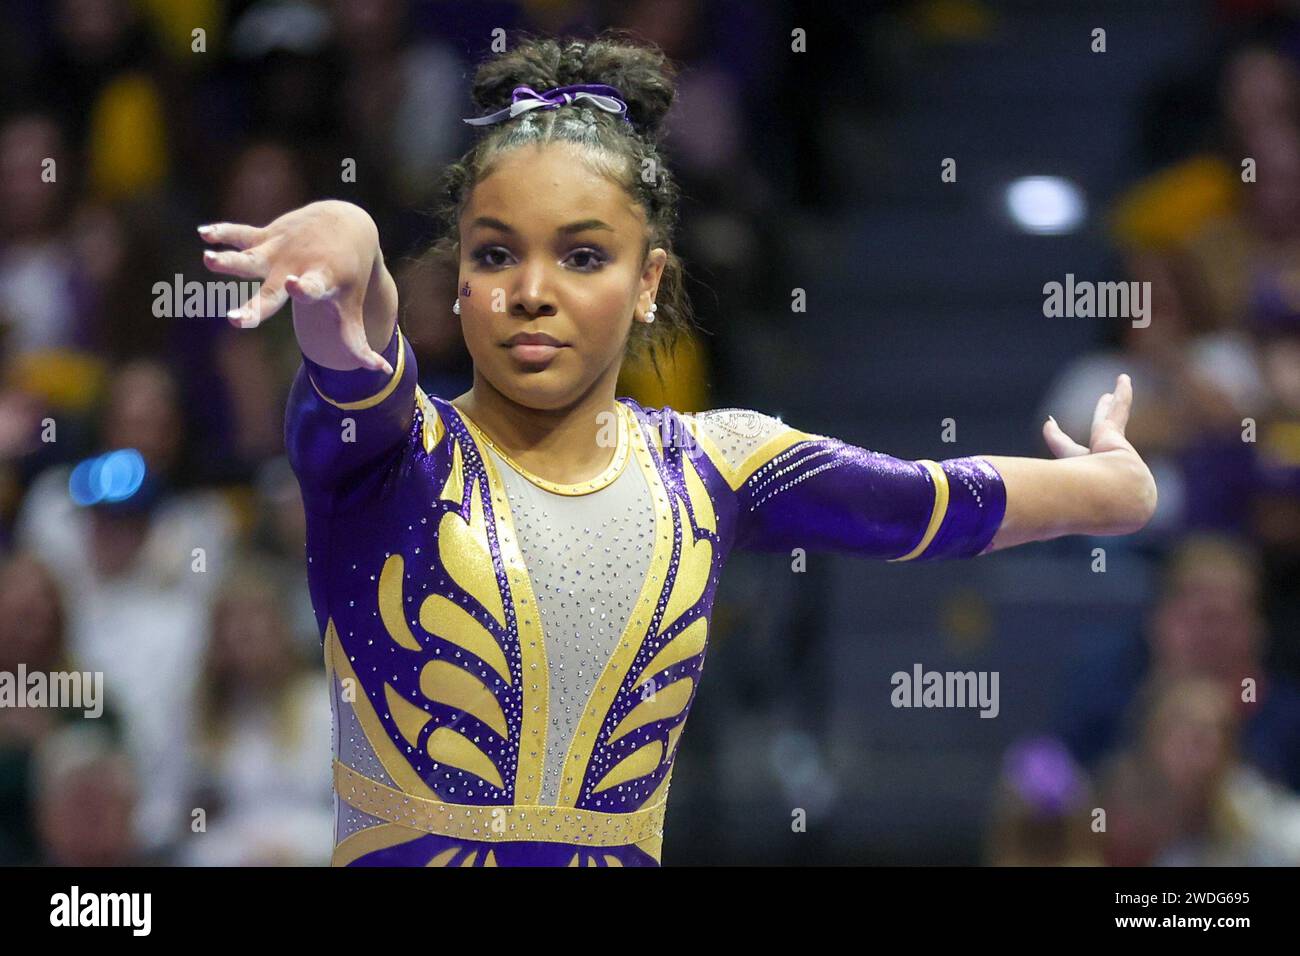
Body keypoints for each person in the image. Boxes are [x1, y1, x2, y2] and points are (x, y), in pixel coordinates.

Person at [199, 35, 1158, 867]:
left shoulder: (711, 467)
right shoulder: (397, 457)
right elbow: (354, 356)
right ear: (455, 280)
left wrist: (1106, 489)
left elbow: (926, 503)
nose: (532, 291)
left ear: (648, 279)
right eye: (494, 254)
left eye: (582, 256)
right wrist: (353, 245)